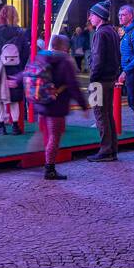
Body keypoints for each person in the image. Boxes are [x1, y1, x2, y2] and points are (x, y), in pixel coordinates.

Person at [27, 34, 90, 180]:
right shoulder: (65, 61)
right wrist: (84, 106)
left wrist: (15, 81)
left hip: (41, 102)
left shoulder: (41, 57)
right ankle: (50, 169)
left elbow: (27, 73)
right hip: (56, 104)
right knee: (54, 136)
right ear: (65, 47)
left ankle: (35, 159)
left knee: (44, 133)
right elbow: (73, 86)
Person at [86, 0, 121, 161]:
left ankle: (106, 150)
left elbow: (98, 59)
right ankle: (112, 149)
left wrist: (92, 79)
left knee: (100, 114)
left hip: (99, 81)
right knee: (108, 114)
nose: (90, 18)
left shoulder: (100, 33)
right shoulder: (112, 31)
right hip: (109, 79)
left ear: (99, 17)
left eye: (92, 15)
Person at [0, 5, 29, 134]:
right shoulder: (21, 32)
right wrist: (19, 66)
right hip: (15, 69)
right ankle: (15, 126)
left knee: (0, 98)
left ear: (1, 16)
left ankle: (1, 126)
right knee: (14, 99)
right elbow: (25, 52)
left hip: (1, 69)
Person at [116, 4, 134, 112]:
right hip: (128, 70)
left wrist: (125, 72)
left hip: (132, 72)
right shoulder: (126, 31)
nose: (120, 17)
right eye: (119, 15)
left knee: (133, 102)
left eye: (123, 15)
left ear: (130, 16)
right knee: (132, 102)